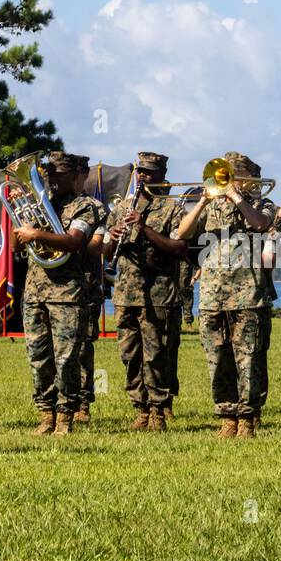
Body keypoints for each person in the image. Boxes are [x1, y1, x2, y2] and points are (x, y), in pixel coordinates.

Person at [176, 152, 275, 438]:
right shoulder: (211, 205)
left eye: (234, 172)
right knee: (217, 357)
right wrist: (203, 201)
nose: (228, 176)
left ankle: (247, 417)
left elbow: (260, 224)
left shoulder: (262, 203)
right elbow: (182, 233)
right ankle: (226, 416)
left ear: (247, 177)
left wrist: (237, 198)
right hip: (212, 295)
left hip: (249, 294)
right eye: (225, 172)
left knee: (248, 359)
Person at [15, 152, 101, 436]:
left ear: (77, 176)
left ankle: (65, 416)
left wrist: (37, 235)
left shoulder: (85, 206)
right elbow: (22, 248)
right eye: (49, 174)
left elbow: (75, 242)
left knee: (66, 359)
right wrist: (23, 236)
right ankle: (45, 414)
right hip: (35, 292)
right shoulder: (42, 204)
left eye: (60, 174)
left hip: (66, 294)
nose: (52, 180)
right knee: (38, 357)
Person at [102, 152, 189, 431]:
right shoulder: (121, 207)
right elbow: (103, 251)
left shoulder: (173, 208)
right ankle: (139, 408)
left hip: (158, 294)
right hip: (126, 294)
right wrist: (113, 235)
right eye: (140, 171)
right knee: (129, 354)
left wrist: (144, 228)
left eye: (149, 172)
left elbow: (178, 248)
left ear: (163, 175)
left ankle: (159, 410)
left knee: (157, 354)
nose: (143, 176)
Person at [74, 157, 109, 427]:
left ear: (82, 175)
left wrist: (58, 239)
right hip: (49, 287)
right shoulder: (49, 204)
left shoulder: (94, 207)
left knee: (83, 346)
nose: (56, 179)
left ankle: (83, 402)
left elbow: (97, 246)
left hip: (84, 287)